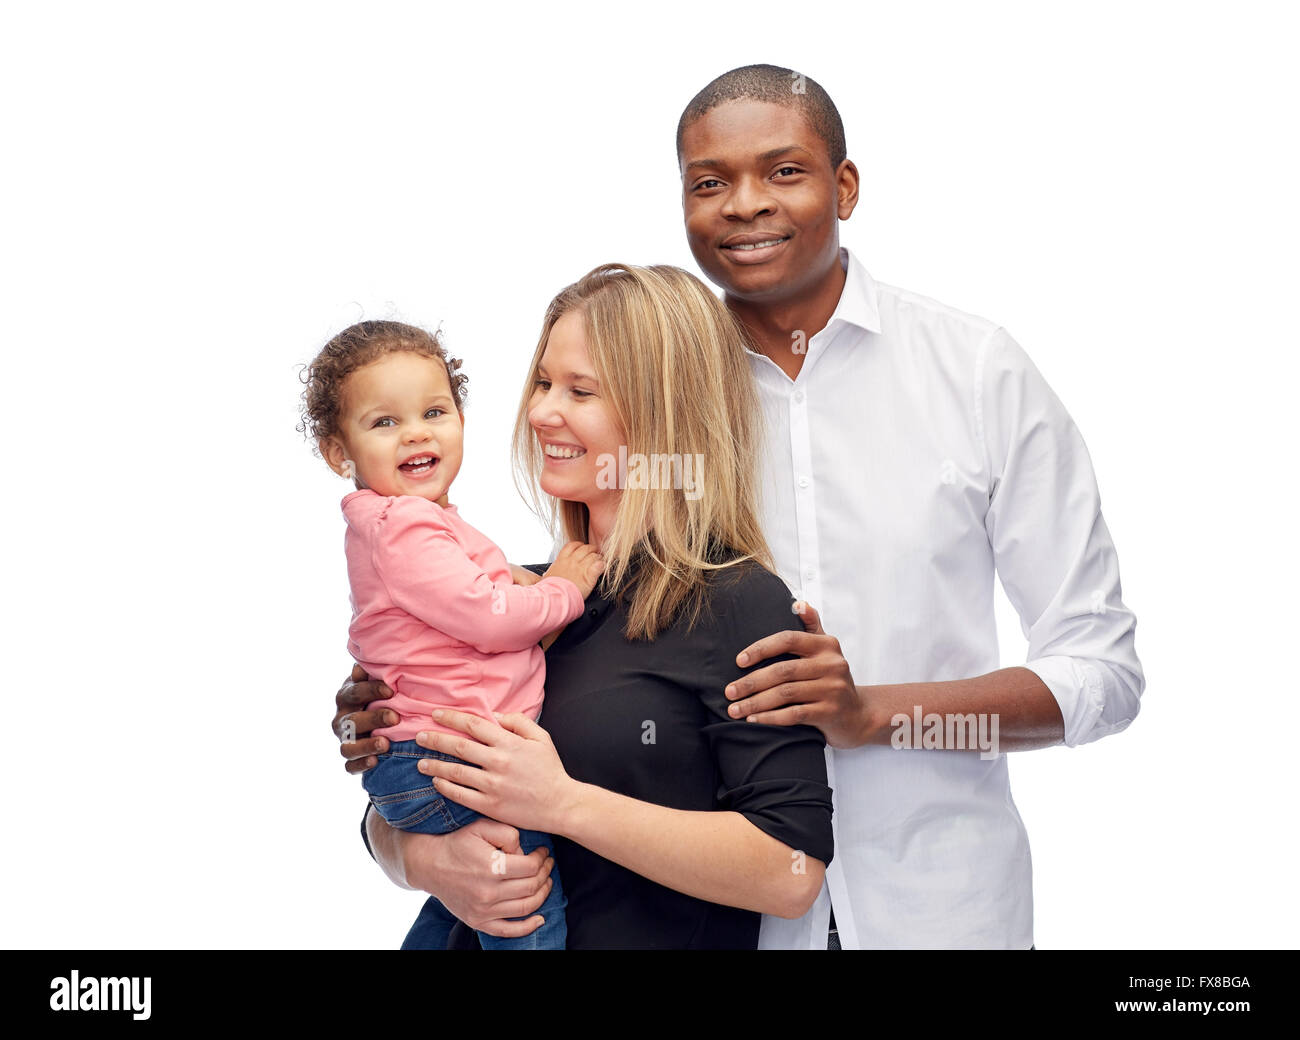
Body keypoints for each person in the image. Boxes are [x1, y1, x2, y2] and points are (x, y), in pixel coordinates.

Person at [337, 64, 1145, 950]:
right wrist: (405, 728)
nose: (744, 204)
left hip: (934, 907)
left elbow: (1099, 674)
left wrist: (873, 713)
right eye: (709, 182)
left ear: (846, 185)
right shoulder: (652, 377)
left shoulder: (975, 373)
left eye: (784, 171)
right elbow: (513, 754)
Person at [343, 265, 834, 949]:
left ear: (662, 413)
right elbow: (393, 813)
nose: (541, 411)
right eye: (544, 382)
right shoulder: (521, 600)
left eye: (580, 390)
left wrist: (562, 804)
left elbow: (791, 873)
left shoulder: (739, 603)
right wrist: (424, 859)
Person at [301, 319, 607, 948]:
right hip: (445, 761)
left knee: (469, 903)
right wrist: (564, 590)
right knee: (523, 907)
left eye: (434, 411)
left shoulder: (418, 527)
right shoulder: (403, 526)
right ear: (339, 453)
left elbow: (482, 604)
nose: (415, 431)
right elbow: (489, 616)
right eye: (384, 422)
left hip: (430, 764)